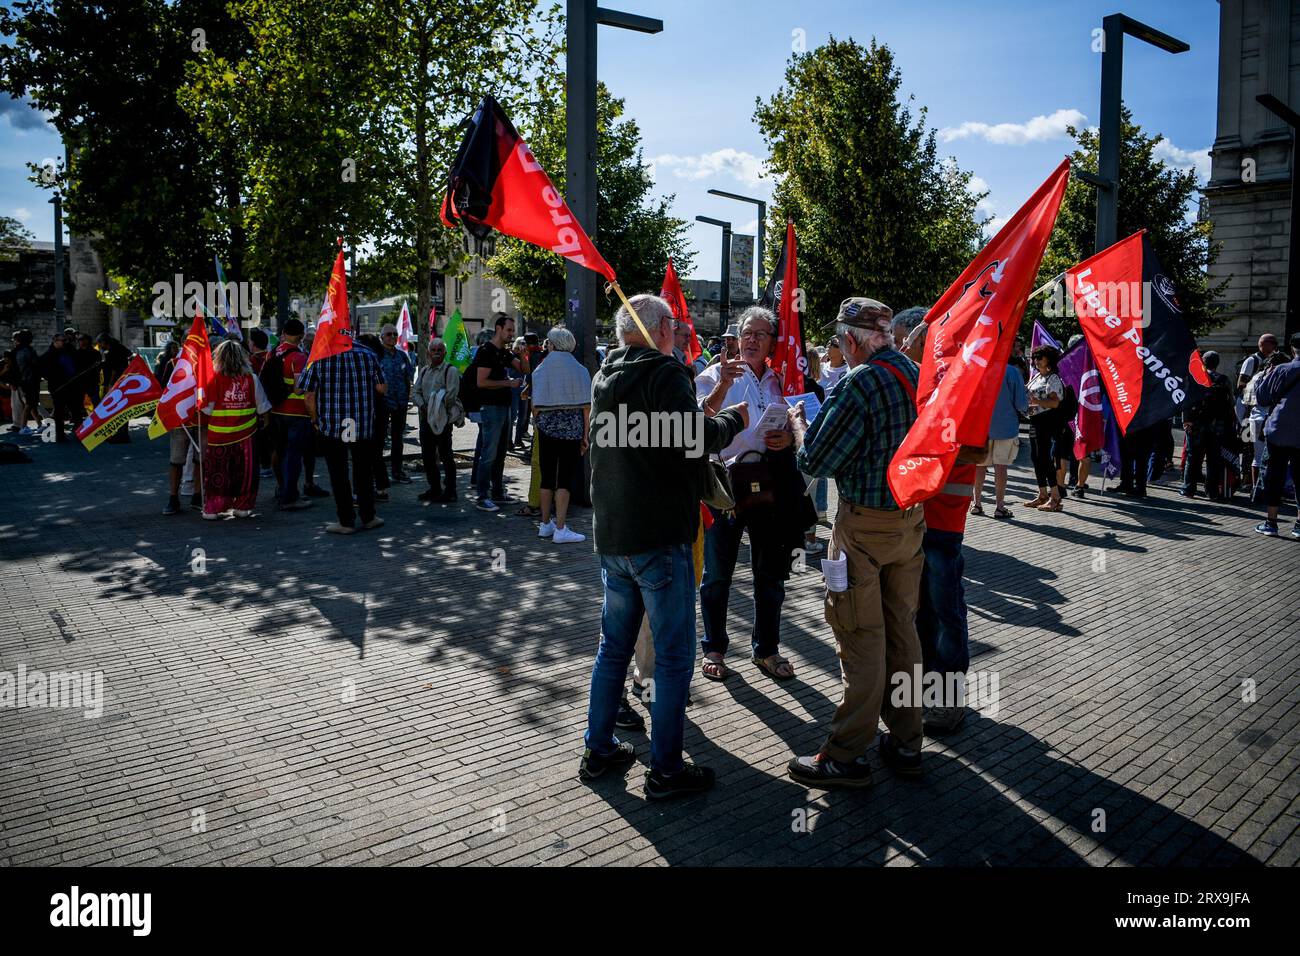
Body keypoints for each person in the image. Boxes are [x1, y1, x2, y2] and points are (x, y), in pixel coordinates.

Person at [581, 293, 746, 799]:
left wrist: (712, 395)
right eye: (674, 325)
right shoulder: (665, 373)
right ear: (660, 329)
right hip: (658, 538)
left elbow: (655, 436)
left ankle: (599, 747)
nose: (678, 334)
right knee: (674, 657)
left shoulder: (605, 375)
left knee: (613, 650)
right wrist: (734, 420)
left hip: (614, 535)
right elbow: (693, 438)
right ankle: (668, 770)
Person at [787, 296, 925, 788]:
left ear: (849, 339)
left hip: (864, 525)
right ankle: (907, 741)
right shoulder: (912, 371)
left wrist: (801, 426)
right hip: (909, 521)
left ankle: (845, 753)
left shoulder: (859, 381)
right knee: (902, 633)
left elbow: (816, 461)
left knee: (861, 638)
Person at [695, 306, 812, 682]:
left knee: (771, 572)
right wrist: (722, 387)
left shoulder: (780, 381)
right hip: (725, 486)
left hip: (769, 484)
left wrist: (789, 438)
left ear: (772, 342)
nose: (751, 339)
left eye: (761, 334)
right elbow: (696, 422)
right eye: (747, 332)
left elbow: (801, 429)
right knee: (717, 574)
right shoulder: (715, 373)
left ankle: (766, 649)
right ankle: (714, 647)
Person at [299, 331, 387, 534]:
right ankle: (368, 516)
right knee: (363, 471)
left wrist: (314, 419)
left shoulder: (320, 355)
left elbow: (307, 394)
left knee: (338, 473)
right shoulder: (368, 354)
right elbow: (382, 388)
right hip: (361, 423)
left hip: (332, 425)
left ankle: (346, 521)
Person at [199, 340, 271, 519]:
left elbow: (206, 409)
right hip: (246, 435)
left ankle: (213, 508)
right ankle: (243, 506)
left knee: (217, 473)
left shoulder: (212, 379)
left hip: (218, 436)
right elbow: (262, 407)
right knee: (245, 474)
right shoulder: (252, 379)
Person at [530, 327, 590, 543]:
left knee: (546, 477)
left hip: (546, 429)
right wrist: (586, 435)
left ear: (552, 344)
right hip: (572, 430)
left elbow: (535, 405)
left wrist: (538, 423)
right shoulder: (580, 370)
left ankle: (545, 524)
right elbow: (586, 408)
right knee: (564, 479)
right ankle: (561, 527)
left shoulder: (541, 369)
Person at [468, 314, 526, 512]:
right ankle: (482, 496)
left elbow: (524, 368)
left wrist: (524, 354)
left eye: (513, 331)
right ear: (499, 329)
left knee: (500, 453)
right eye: (509, 330)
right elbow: (481, 382)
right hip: (490, 407)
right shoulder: (486, 351)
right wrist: (508, 383)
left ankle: (498, 493)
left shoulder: (504, 352)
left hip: (504, 407)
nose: (512, 334)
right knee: (489, 453)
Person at [1253, 332, 1300, 539]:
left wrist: (1265, 376)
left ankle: (1271, 522)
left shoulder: (1282, 369)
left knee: (1274, 475)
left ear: (1292, 349)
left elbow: (1262, 398)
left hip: (1278, 431)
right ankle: (1299, 525)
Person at [266, 319, 314, 511]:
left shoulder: (273, 353)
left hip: (276, 410)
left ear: (284, 333)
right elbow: (299, 388)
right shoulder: (299, 357)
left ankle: (281, 488)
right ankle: (290, 497)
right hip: (296, 414)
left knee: (279, 451)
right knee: (294, 456)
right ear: (301, 335)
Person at [973, 354, 1028, 518]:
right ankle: (999, 506)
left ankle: (976, 504)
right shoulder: (1012, 372)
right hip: (1006, 427)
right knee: (1001, 467)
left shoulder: (977, 368)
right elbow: (1021, 404)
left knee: (979, 467)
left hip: (980, 427)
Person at [411, 337, 462, 503]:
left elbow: (451, 395)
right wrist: (425, 407)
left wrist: (437, 408)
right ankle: (434, 488)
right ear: (428, 352)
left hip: (443, 421)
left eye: (440, 350)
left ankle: (450, 490)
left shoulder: (450, 371)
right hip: (426, 420)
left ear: (445, 353)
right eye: (433, 350)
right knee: (427, 456)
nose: (436, 353)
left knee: (446, 456)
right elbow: (415, 392)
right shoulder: (424, 371)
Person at [1181, 350, 1236, 501]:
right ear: (1217, 363)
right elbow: (1231, 402)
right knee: (1213, 460)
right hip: (1217, 426)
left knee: (1193, 458)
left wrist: (1186, 421)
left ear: (1203, 362)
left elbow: (1186, 401)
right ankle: (1212, 492)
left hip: (1196, 425)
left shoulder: (1195, 378)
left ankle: (1188, 489)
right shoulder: (1224, 380)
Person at [1025, 345, 1066, 511]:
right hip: (1035, 419)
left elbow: (1055, 403)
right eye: (1035, 357)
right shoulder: (1036, 377)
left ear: (1049, 359)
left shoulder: (1053, 378)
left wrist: (1036, 401)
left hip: (1047, 421)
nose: (1036, 360)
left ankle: (1055, 497)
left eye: (1040, 357)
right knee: (1035, 457)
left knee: (1044, 457)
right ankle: (1042, 494)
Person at [377, 324, 415, 484]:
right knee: (379, 439)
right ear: (382, 337)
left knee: (397, 439)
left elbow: (409, 376)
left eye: (394, 334)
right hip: (383, 403)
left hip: (400, 402)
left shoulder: (402, 356)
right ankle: (378, 474)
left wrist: (408, 396)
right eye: (388, 334)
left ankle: (397, 471)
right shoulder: (376, 356)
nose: (392, 337)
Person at [39, 331, 77, 442]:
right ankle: (60, 435)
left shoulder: (67, 351)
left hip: (69, 385)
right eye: (62, 341)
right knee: (59, 411)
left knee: (75, 409)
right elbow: (43, 370)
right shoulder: (49, 355)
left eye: (65, 341)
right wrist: (53, 377)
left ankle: (79, 432)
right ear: (55, 341)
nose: (65, 342)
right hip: (57, 386)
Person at [96, 333, 133, 443]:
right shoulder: (119, 347)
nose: (100, 345)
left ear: (104, 342)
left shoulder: (113, 351)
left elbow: (114, 369)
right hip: (124, 381)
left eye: (100, 343)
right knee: (121, 407)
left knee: (119, 408)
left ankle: (122, 435)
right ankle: (122, 433)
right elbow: (129, 354)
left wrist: (111, 385)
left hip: (118, 382)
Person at [11, 329, 41, 435]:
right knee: (29, 404)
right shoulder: (27, 351)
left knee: (31, 404)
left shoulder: (17, 351)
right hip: (29, 381)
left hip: (23, 381)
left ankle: (39, 424)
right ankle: (23, 426)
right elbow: (34, 365)